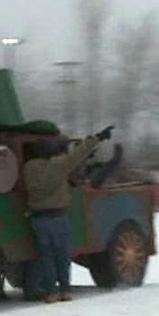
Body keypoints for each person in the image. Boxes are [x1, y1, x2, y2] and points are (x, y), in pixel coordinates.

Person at [23, 125, 114, 302]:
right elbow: (78, 154)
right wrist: (97, 137)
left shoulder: (28, 168)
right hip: (58, 217)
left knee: (46, 257)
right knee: (62, 256)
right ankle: (65, 290)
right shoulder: (58, 165)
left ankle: (50, 292)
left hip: (38, 219)